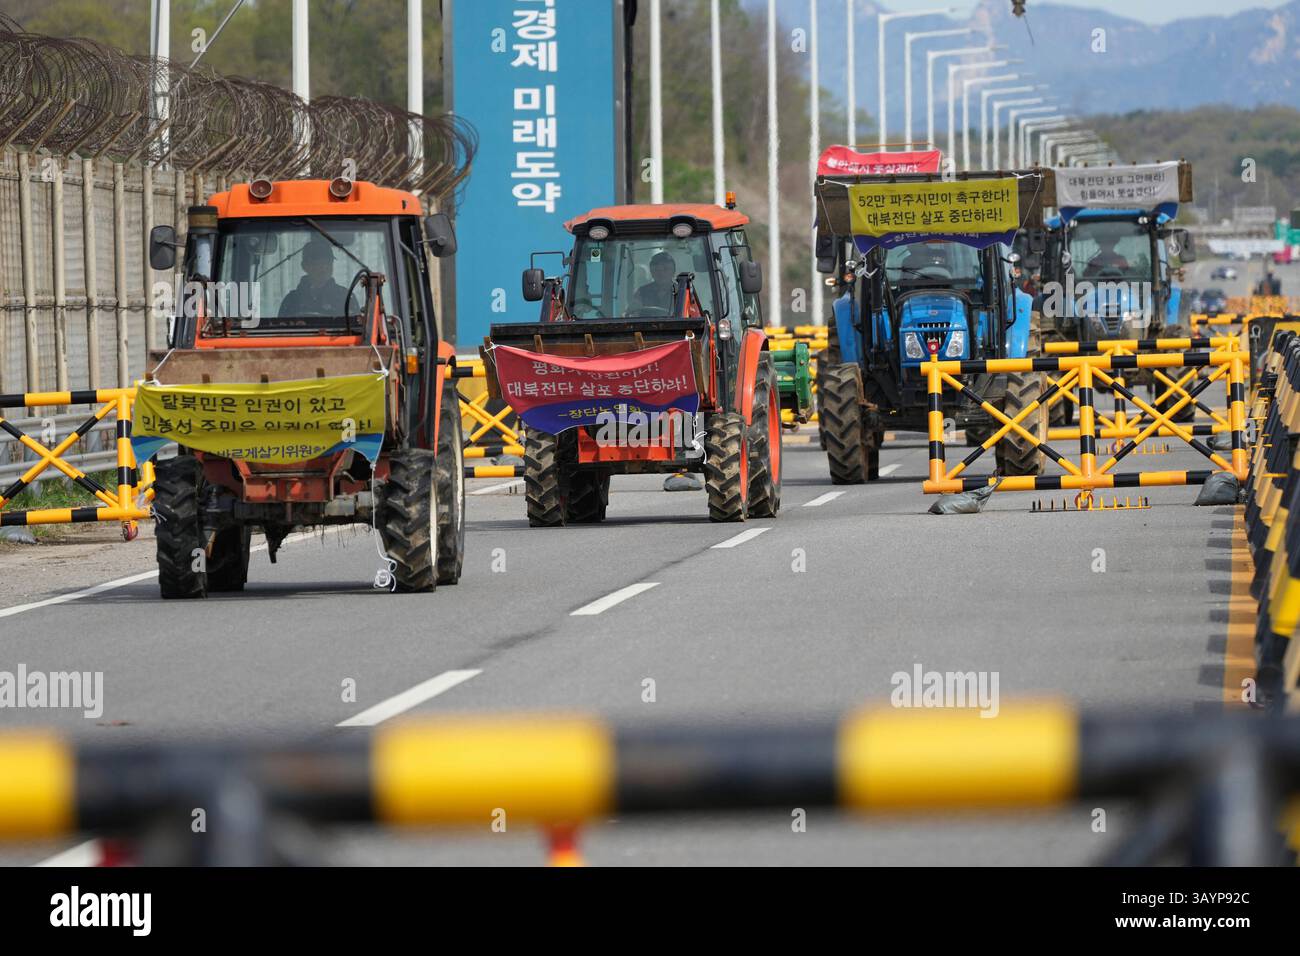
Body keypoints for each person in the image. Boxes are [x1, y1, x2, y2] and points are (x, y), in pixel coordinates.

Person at [279, 238, 356, 317]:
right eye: (318, 263)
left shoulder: (346, 298)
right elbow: (280, 328)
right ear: (305, 266)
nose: (324, 268)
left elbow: (357, 327)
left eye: (328, 262)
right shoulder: (291, 301)